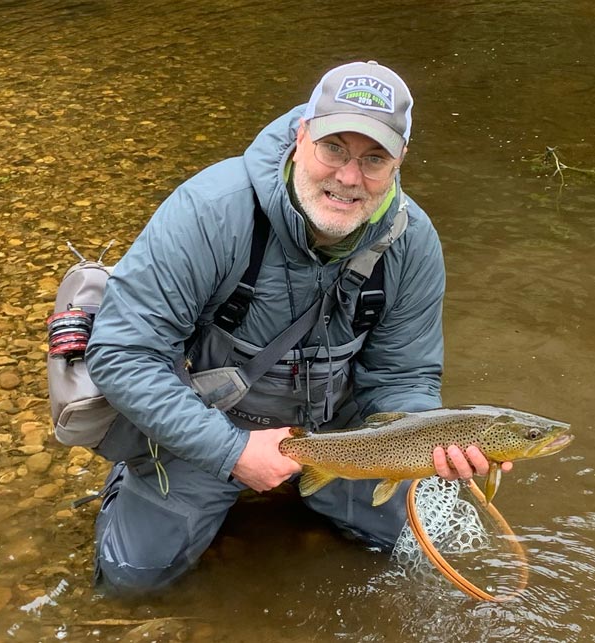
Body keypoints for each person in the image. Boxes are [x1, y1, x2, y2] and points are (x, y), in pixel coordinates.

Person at [85, 60, 511, 594]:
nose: (349, 177)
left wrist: (432, 442)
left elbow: (404, 377)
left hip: (342, 435)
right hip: (213, 424)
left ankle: (305, 485)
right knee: (132, 580)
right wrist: (232, 452)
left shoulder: (412, 242)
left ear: (400, 161)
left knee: (410, 550)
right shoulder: (211, 211)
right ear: (301, 134)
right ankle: (142, 479)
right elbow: (123, 354)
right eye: (334, 148)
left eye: (374, 158)